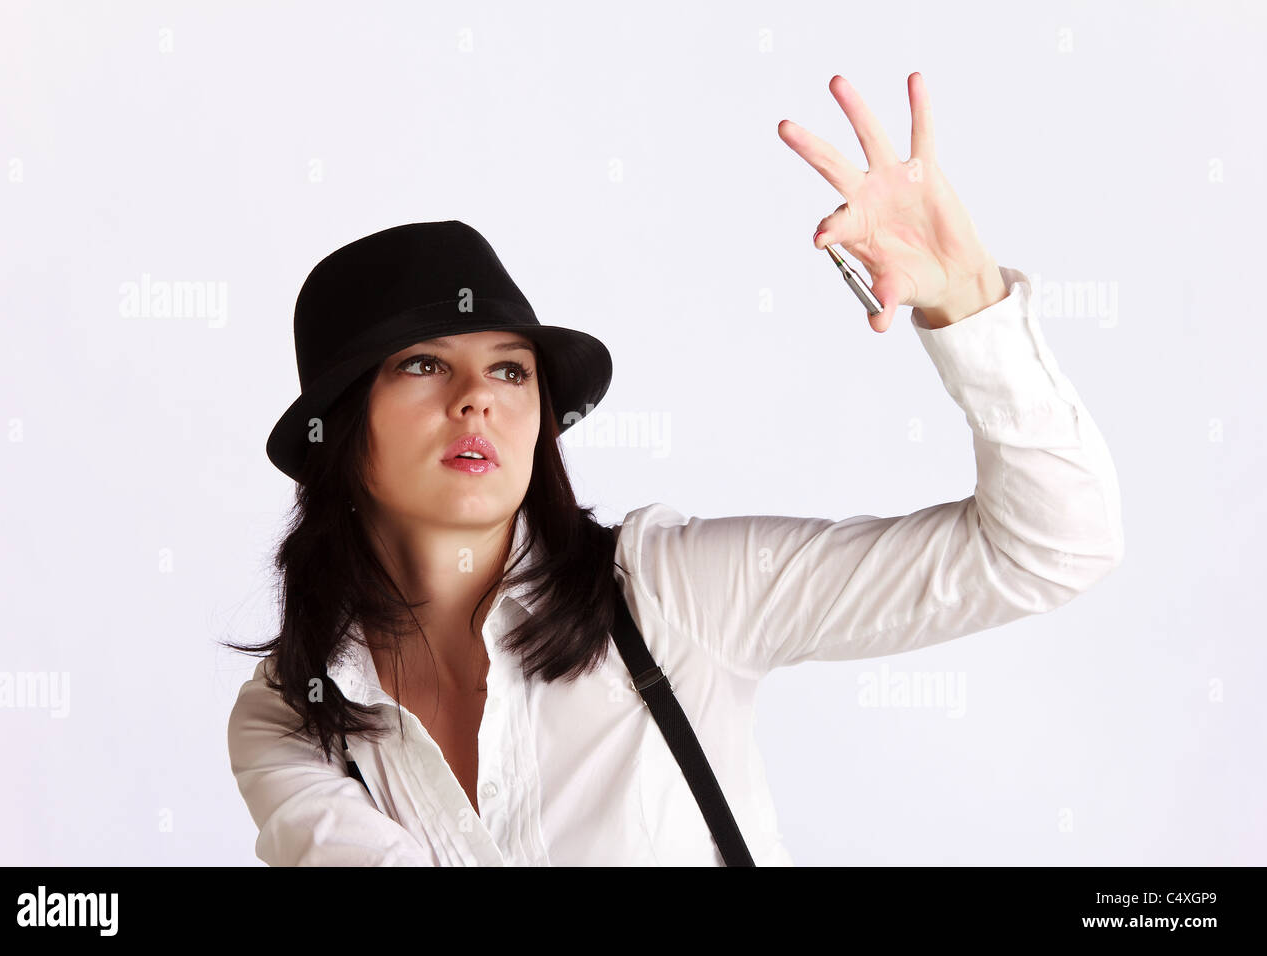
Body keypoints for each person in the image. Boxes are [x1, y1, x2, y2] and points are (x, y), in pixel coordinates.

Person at [224, 72, 1124, 866]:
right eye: (422, 365)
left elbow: (1050, 549)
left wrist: (969, 305)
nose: (477, 399)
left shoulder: (669, 590)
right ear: (340, 433)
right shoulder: (291, 713)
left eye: (509, 368)